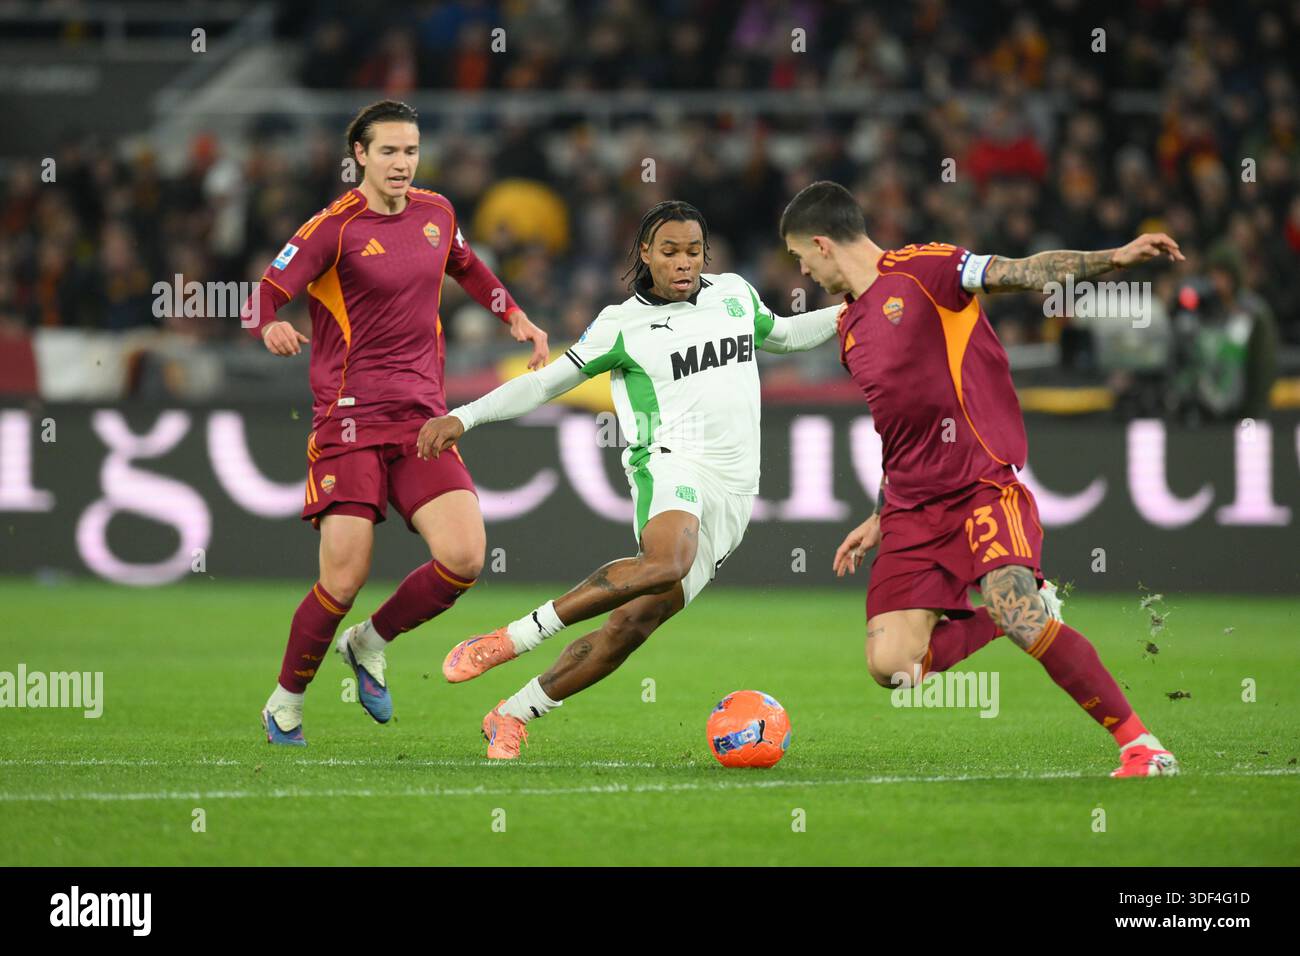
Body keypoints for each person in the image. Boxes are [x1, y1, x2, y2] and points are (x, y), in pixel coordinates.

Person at [780, 180, 1183, 778]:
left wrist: (1114, 259)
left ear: (821, 244)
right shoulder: (850, 328)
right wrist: (880, 513)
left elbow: (1025, 272)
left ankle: (1141, 745)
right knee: (893, 668)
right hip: (910, 508)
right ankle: (1000, 616)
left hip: (979, 485)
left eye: (799, 257)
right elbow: (899, 428)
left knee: (1021, 614)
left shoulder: (928, 269)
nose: (803, 272)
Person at [417, 200, 842, 758]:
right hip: (670, 461)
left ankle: (511, 714)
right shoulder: (622, 324)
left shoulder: (733, 294)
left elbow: (784, 335)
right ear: (646, 253)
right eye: (670, 251)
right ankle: (513, 638)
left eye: (694, 251)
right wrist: (464, 417)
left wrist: (849, 312)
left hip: (736, 488)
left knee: (630, 628)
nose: (683, 262)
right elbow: (544, 383)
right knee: (667, 561)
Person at [242, 100, 548, 745]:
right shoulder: (333, 228)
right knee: (343, 580)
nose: (402, 162)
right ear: (359, 155)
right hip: (348, 421)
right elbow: (264, 294)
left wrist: (513, 315)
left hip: (422, 420)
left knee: (464, 558)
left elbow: (467, 266)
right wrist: (269, 324)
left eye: (410, 150)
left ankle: (370, 642)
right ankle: (286, 702)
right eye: (388, 151)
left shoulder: (437, 213)